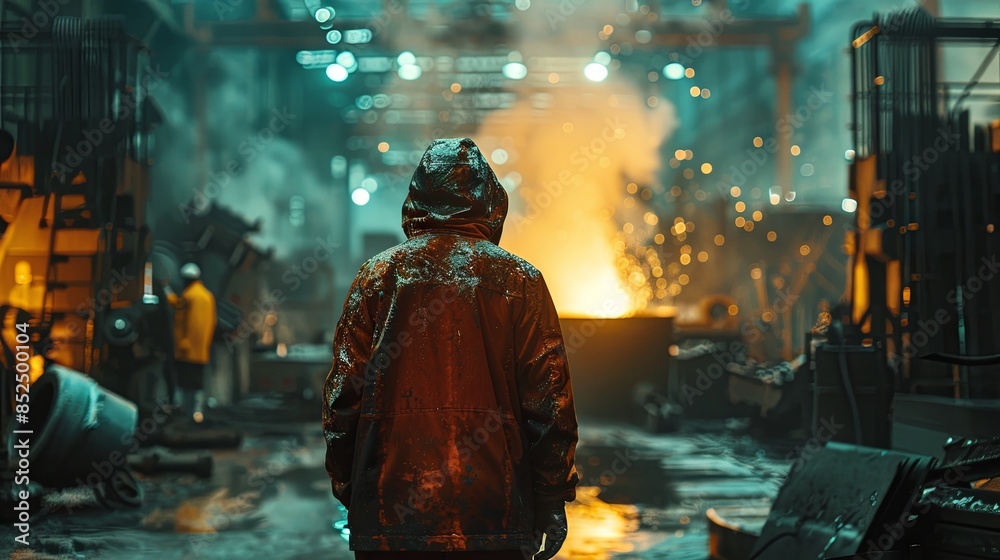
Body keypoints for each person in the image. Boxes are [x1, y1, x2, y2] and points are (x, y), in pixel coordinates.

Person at [323, 138, 579, 560]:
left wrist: (356, 489)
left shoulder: (376, 277)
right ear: (490, 199)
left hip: (390, 513)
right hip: (493, 516)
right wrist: (551, 497)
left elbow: (342, 400)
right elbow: (549, 402)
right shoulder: (520, 280)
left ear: (416, 199)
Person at [163, 262, 217, 423]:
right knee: (197, 382)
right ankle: (197, 412)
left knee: (183, 381)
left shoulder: (189, 296)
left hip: (186, 350)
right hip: (201, 349)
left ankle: (182, 411)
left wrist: (165, 288)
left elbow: (176, 304)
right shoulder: (208, 296)